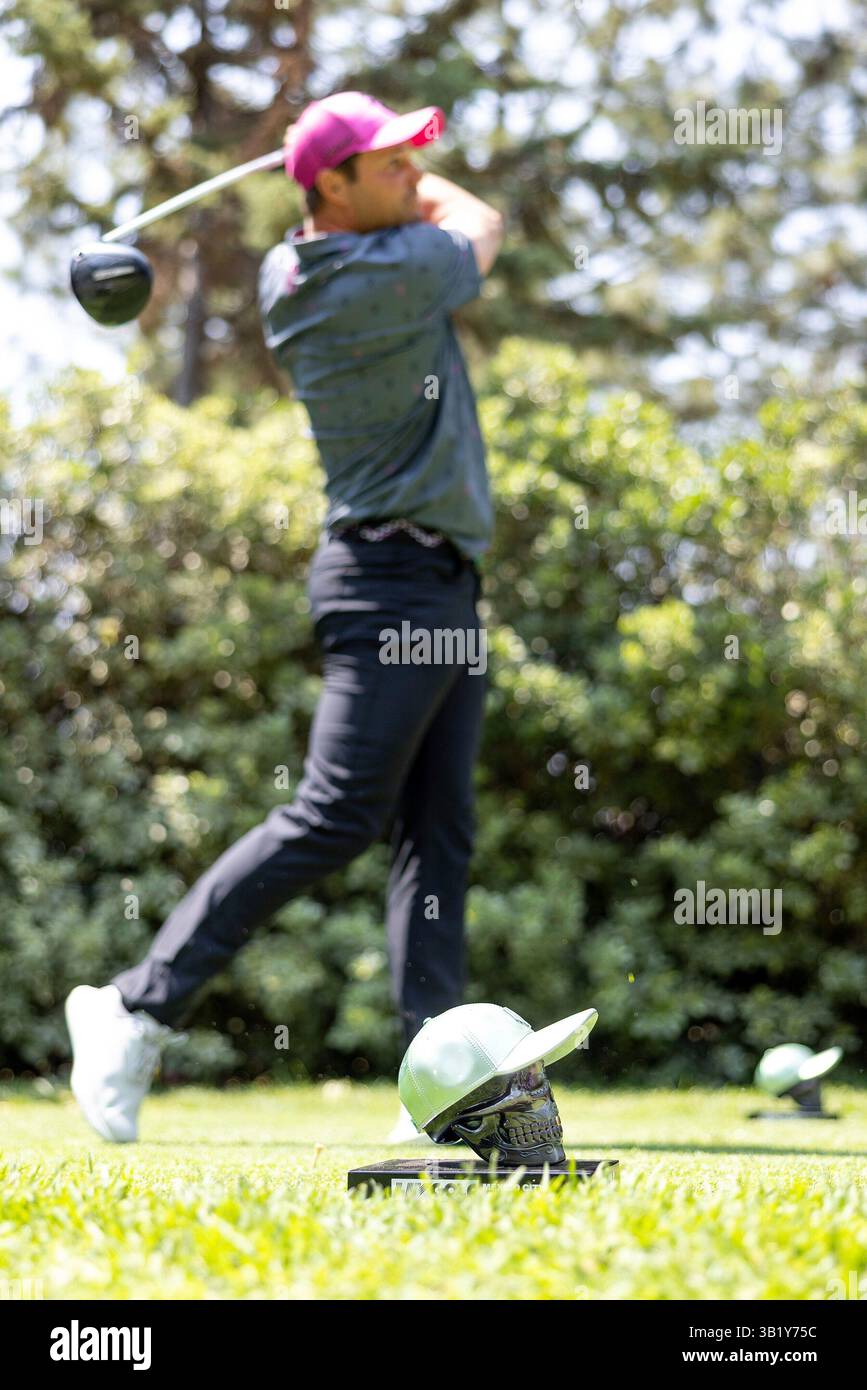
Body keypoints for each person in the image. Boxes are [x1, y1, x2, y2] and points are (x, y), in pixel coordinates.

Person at [65, 90, 505, 1143]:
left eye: (412, 159)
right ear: (331, 189)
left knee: (436, 831)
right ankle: (133, 1006)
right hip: (389, 582)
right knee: (336, 814)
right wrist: (382, 172)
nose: (413, 175)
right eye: (388, 162)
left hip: (441, 582)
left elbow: (421, 208)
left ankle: (437, 1080)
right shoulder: (367, 275)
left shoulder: (319, 260)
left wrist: (355, 157)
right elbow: (480, 220)